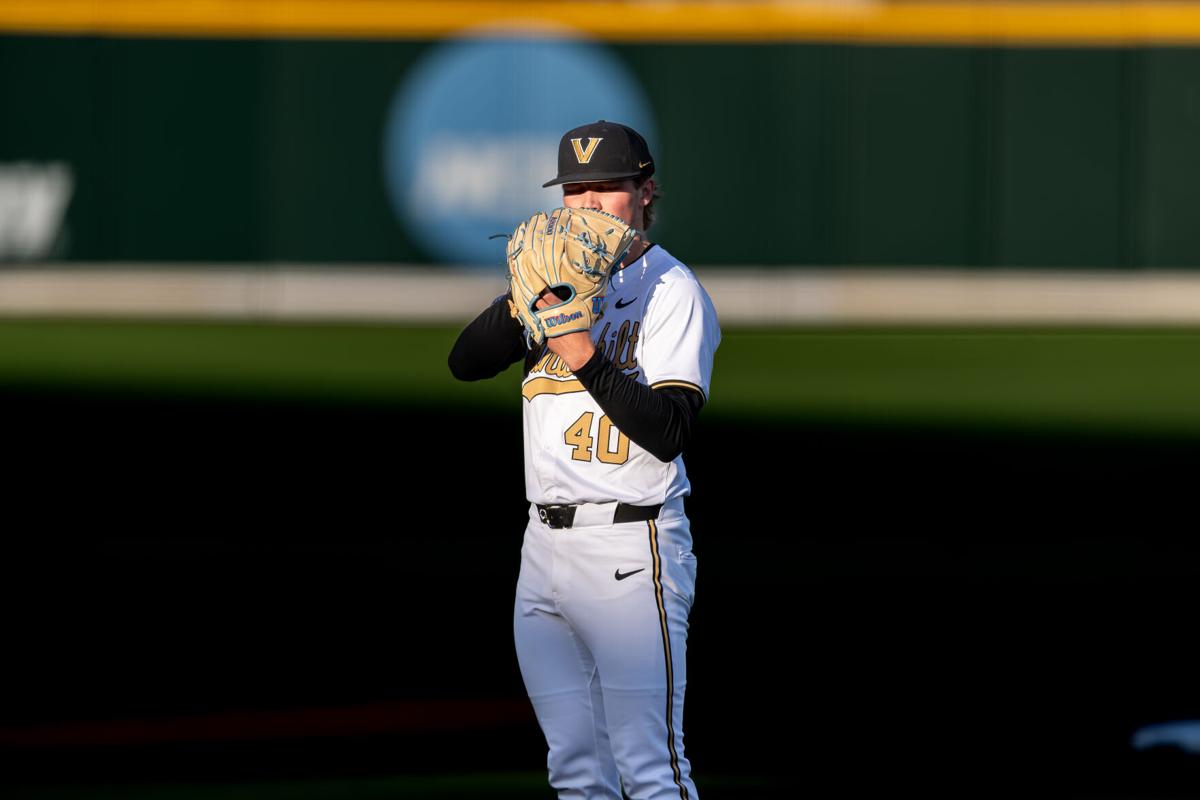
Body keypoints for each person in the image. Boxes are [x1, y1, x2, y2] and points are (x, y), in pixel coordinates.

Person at [448, 120, 720, 800]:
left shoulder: (672, 290)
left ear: (645, 192)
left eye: (608, 186)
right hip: (542, 551)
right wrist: (526, 302)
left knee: (652, 769)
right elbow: (465, 362)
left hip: (631, 549)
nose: (589, 203)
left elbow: (669, 430)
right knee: (574, 769)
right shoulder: (555, 281)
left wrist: (580, 351)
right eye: (575, 190)